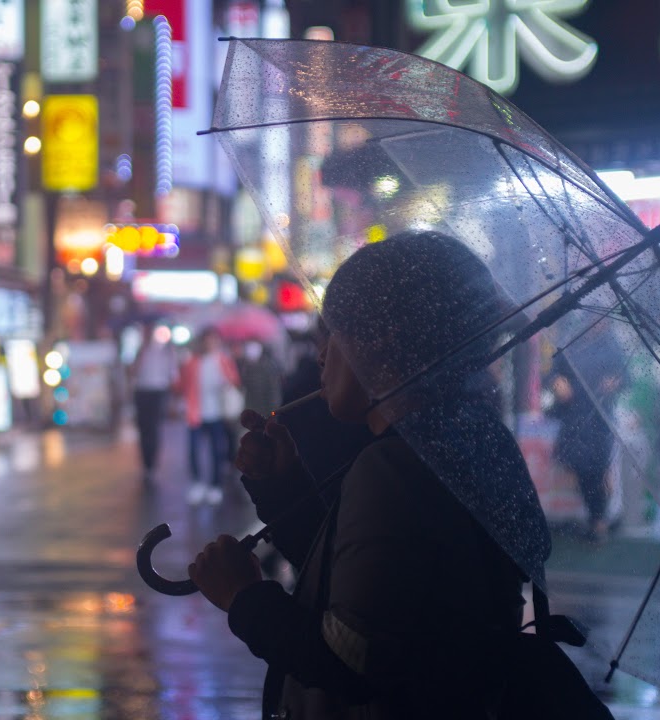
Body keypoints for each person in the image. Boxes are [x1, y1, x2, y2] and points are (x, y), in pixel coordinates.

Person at [188, 232, 611, 719]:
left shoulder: (395, 468)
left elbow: (351, 661)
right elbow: (383, 595)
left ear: (385, 340)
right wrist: (284, 485)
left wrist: (245, 596)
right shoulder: (474, 440)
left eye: (334, 331)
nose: (321, 354)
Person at [546, 356, 622, 543]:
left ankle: (599, 520)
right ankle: (595, 519)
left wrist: (616, 381)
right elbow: (552, 373)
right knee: (580, 469)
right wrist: (556, 381)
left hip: (599, 419)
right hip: (573, 419)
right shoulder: (570, 343)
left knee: (598, 468)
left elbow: (624, 375)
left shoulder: (611, 345)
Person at [179, 328, 241, 505]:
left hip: (218, 413)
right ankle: (197, 483)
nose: (209, 344)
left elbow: (235, 381)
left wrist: (226, 382)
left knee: (217, 451)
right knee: (194, 451)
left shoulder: (224, 360)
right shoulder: (192, 362)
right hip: (196, 413)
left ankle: (216, 485)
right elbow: (183, 385)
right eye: (207, 340)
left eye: (213, 340)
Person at [128, 321, 179, 484]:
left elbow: (172, 375)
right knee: (143, 429)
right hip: (142, 391)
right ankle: (146, 463)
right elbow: (133, 372)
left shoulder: (166, 352)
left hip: (158, 392)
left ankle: (152, 464)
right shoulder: (141, 351)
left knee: (154, 428)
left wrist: (172, 398)